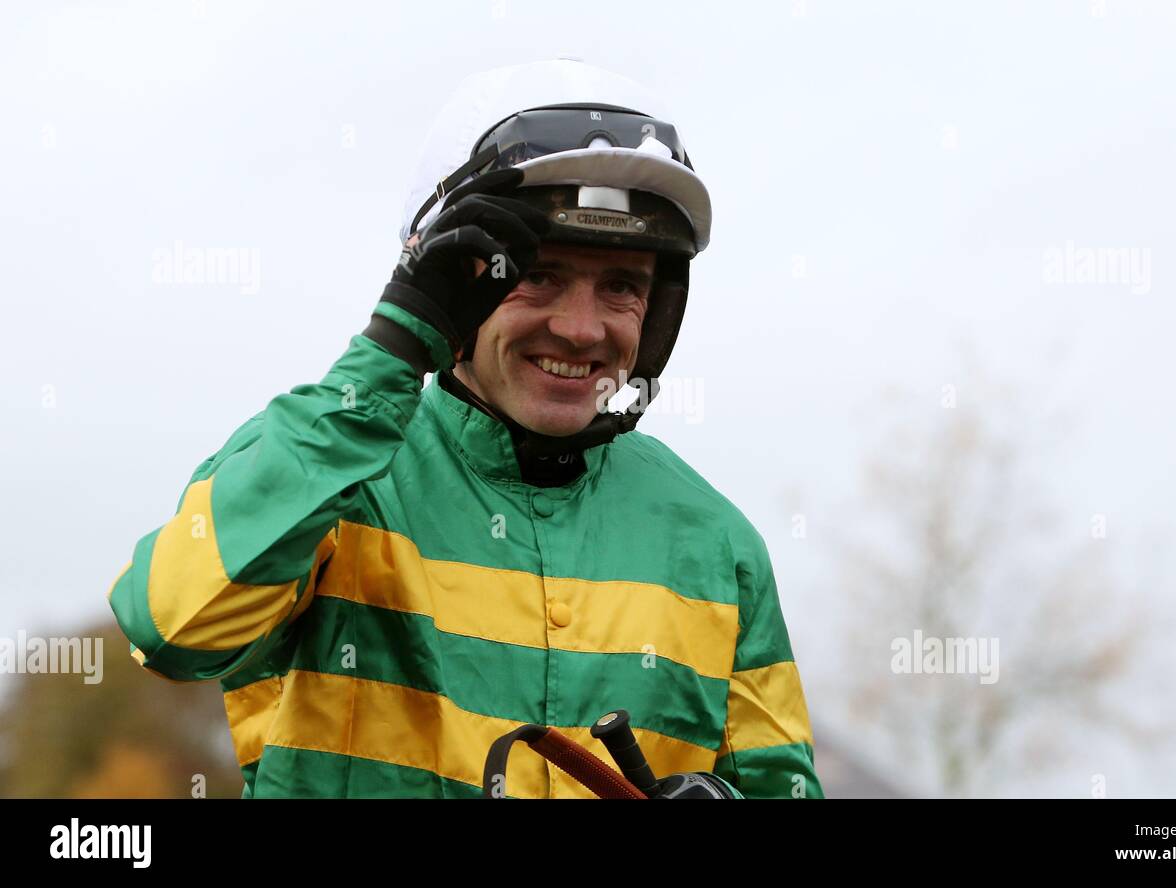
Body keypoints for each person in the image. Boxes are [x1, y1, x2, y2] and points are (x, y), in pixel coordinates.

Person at [108, 58, 823, 799]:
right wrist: (390, 349)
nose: (581, 329)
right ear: (446, 282)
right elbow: (172, 626)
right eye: (537, 275)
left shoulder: (718, 542)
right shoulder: (336, 475)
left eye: (621, 287)